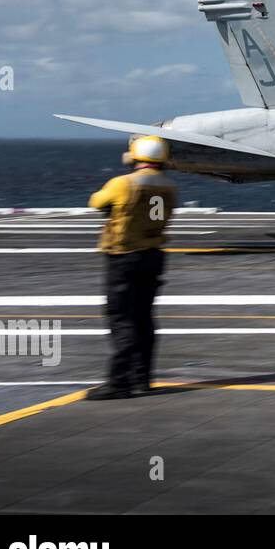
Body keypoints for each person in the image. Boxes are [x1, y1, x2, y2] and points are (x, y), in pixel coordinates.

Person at [86, 135, 178, 400]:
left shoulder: (122, 183)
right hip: (154, 257)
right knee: (144, 318)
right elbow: (157, 218)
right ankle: (142, 379)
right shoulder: (168, 187)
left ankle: (119, 383)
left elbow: (96, 202)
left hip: (124, 257)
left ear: (135, 157)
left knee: (121, 318)